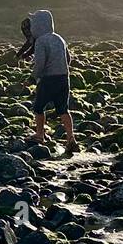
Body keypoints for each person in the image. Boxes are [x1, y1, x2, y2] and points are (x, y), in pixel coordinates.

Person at [29, 9, 78, 153]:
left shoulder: (41, 41)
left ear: (38, 25)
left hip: (48, 79)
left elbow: (40, 63)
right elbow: (68, 58)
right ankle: (71, 138)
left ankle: (39, 135)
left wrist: (32, 77)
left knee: (39, 107)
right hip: (63, 77)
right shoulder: (59, 38)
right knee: (63, 109)